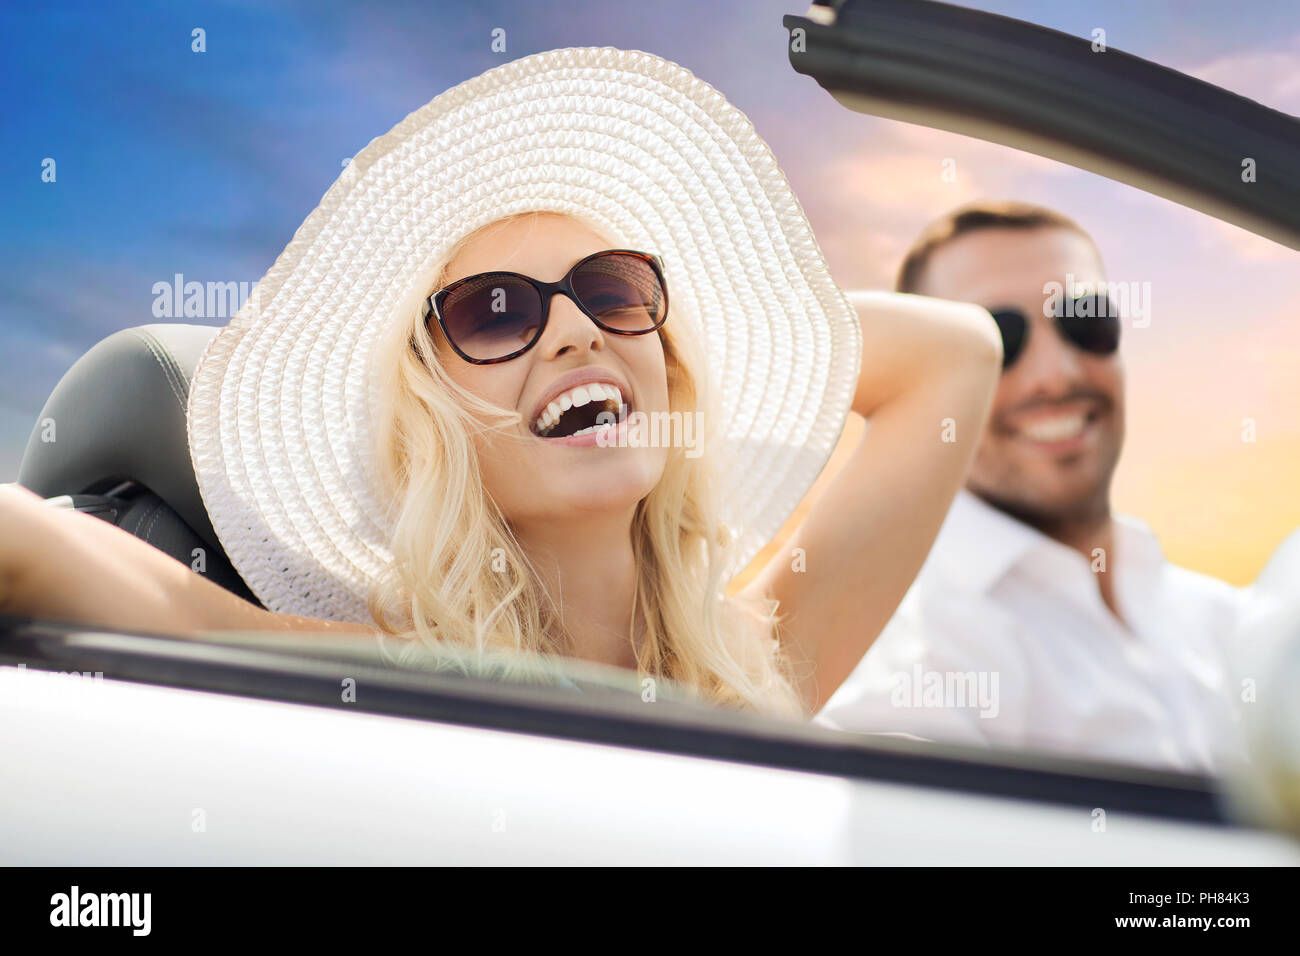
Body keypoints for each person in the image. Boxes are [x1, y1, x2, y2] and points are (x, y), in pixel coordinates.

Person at [0, 48, 1001, 718]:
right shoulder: (377, 675)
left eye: (610, 290)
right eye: (494, 312)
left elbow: (960, 354)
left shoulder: (745, 664)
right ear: (431, 417)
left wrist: (699, 357)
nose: (570, 327)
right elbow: (29, 546)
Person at [816, 199, 1249, 770]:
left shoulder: (1233, 622)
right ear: (934, 382)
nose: (1057, 374)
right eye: (998, 339)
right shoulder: (916, 660)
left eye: (1085, 318)